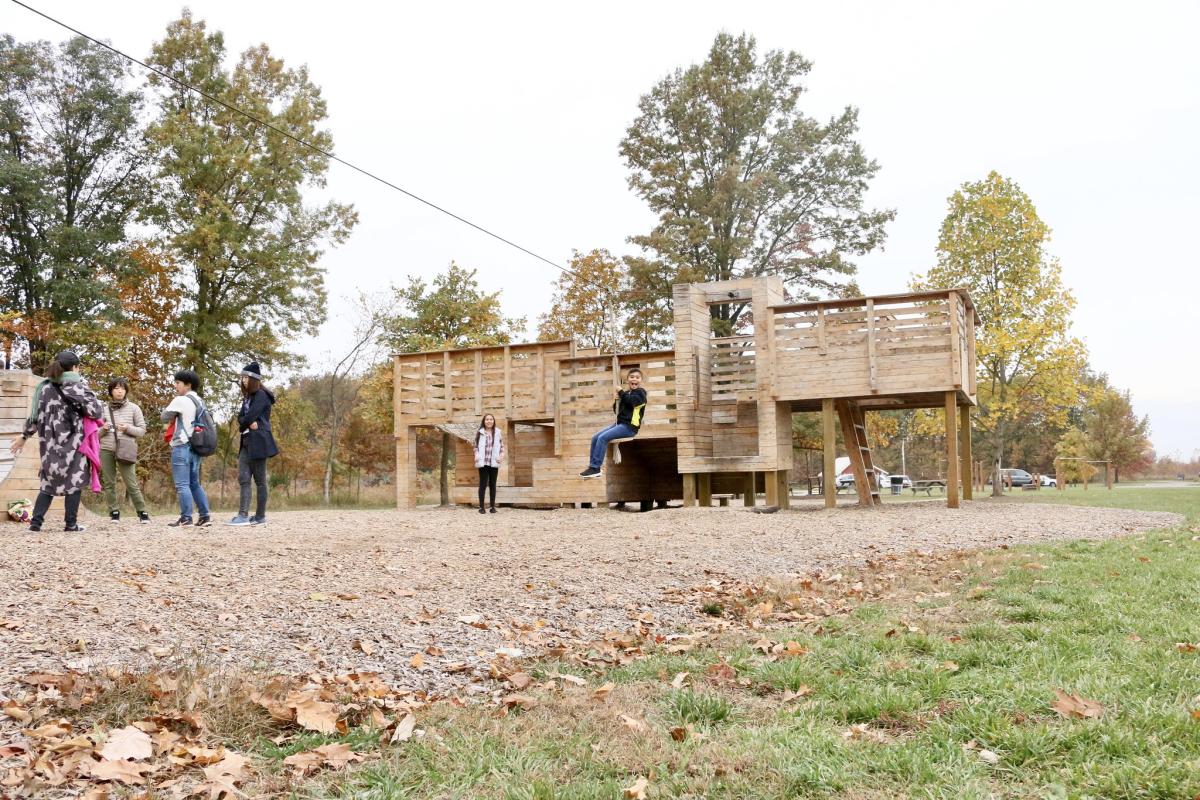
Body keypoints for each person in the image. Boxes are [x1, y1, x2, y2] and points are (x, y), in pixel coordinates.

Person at [10, 350, 104, 532]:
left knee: (47, 483)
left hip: (49, 446)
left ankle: (36, 523)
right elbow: (96, 412)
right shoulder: (79, 388)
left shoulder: (44, 388)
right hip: (74, 444)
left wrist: (24, 436)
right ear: (76, 367)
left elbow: (35, 418)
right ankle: (71, 524)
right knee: (74, 482)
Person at [226, 362, 278, 526]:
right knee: (243, 477)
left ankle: (260, 516)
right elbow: (240, 418)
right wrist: (247, 423)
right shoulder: (248, 398)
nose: (243, 381)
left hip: (259, 441)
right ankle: (243, 515)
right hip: (247, 440)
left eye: (245, 377)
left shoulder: (262, 395)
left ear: (253, 379)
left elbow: (248, 417)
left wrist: (247, 422)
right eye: (242, 378)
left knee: (260, 480)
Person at [161, 369, 211, 528]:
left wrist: (175, 414)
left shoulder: (181, 400)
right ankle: (204, 517)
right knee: (194, 483)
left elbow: (164, 416)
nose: (175, 386)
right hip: (196, 447)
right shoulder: (200, 401)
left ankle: (186, 518)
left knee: (182, 484)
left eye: (178, 383)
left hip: (181, 445)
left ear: (188, 385)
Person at [99, 378, 150, 523]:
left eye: (122, 388)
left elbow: (142, 430)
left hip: (126, 449)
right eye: (116, 388)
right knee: (109, 483)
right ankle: (114, 512)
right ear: (111, 391)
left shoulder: (134, 408)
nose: (119, 391)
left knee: (131, 482)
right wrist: (103, 429)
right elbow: (94, 435)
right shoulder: (103, 409)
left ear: (126, 390)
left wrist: (128, 428)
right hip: (106, 449)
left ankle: (142, 512)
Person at [579, 368, 646, 478]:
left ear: (641, 381)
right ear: (628, 380)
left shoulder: (641, 393)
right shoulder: (627, 394)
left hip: (629, 427)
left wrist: (621, 392)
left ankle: (596, 467)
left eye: (637, 377)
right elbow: (617, 411)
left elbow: (634, 402)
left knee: (603, 438)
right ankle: (592, 468)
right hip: (619, 424)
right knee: (595, 437)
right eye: (632, 377)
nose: (634, 379)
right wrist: (617, 401)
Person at [473, 413, 504, 514]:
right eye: (487, 419)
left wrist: (501, 456)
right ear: (484, 421)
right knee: (482, 484)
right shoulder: (479, 432)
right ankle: (481, 507)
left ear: (493, 421)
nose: (489, 421)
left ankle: (492, 507)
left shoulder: (498, 433)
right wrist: (476, 455)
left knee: (493, 484)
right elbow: (475, 447)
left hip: (494, 462)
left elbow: (502, 447)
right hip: (483, 462)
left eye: (491, 419)